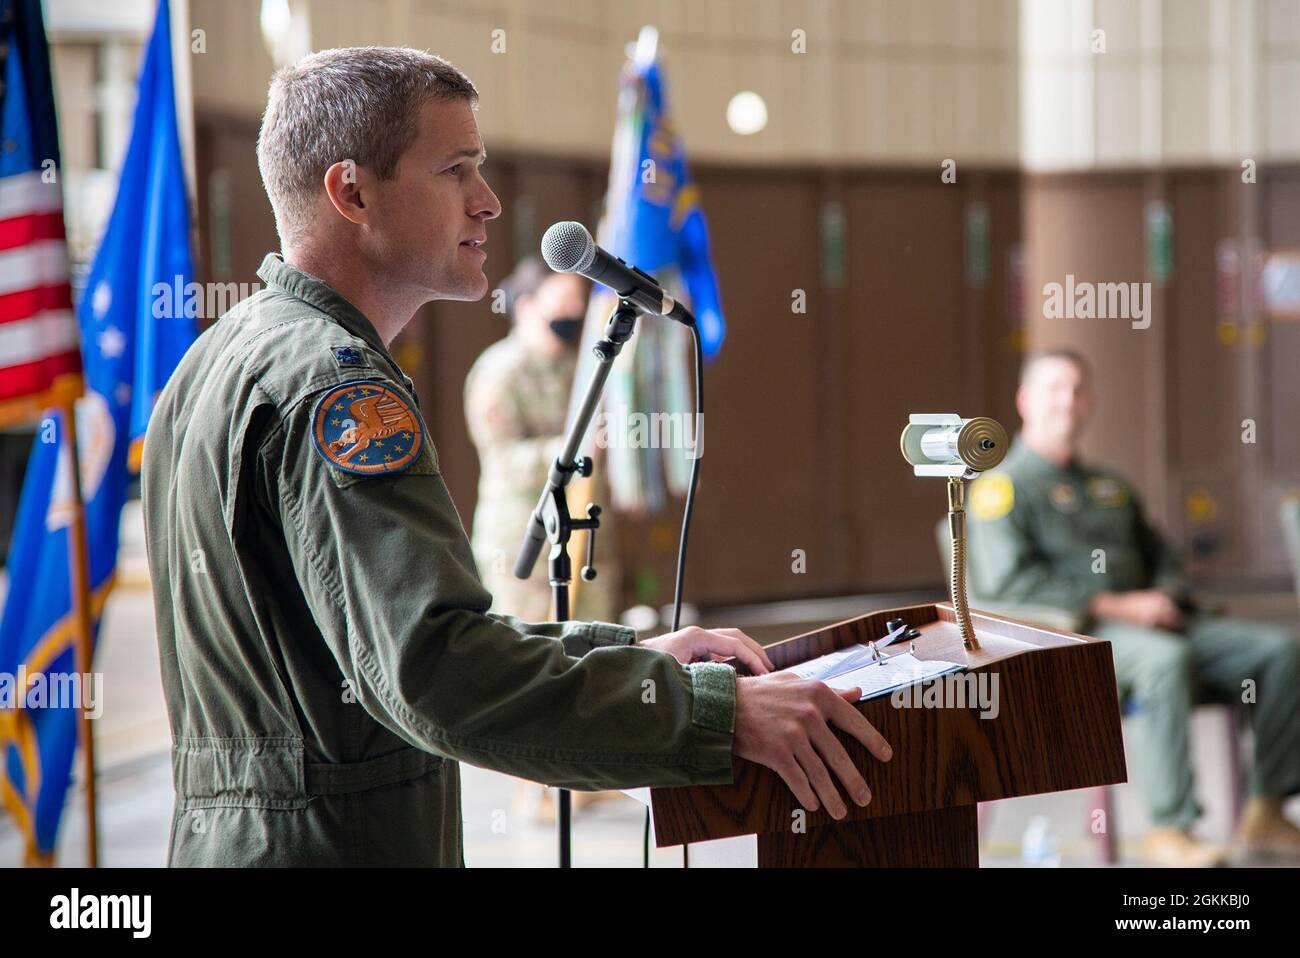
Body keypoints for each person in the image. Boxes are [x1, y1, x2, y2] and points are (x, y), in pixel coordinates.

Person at [140, 46, 891, 866]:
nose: (488, 202)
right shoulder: (337, 387)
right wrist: (715, 712)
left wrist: (628, 659)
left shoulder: (218, 358)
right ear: (351, 191)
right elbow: (436, 674)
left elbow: (370, 651)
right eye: (455, 169)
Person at [967, 348, 1300, 866]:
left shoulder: (1109, 486)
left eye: (1078, 389)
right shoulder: (1001, 490)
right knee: (1164, 662)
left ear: (1091, 401)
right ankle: (1170, 828)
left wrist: (1165, 595)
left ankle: (1268, 809)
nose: (1068, 400)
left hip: (1153, 621)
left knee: (1278, 654)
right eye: (1054, 388)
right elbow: (1010, 585)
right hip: (1073, 638)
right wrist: (1121, 606)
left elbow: (1160, 554)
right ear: (1025, 400)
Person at [464, 256, 614, 625]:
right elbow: (505, 460)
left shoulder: (578, 367)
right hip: (524, 543)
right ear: (528, 305)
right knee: (535, 653)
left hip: (584, 535)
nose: (573, 313)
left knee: (597, 650)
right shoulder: (500, 371)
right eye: (562, 303)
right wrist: (575, 447)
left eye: (578, 304)